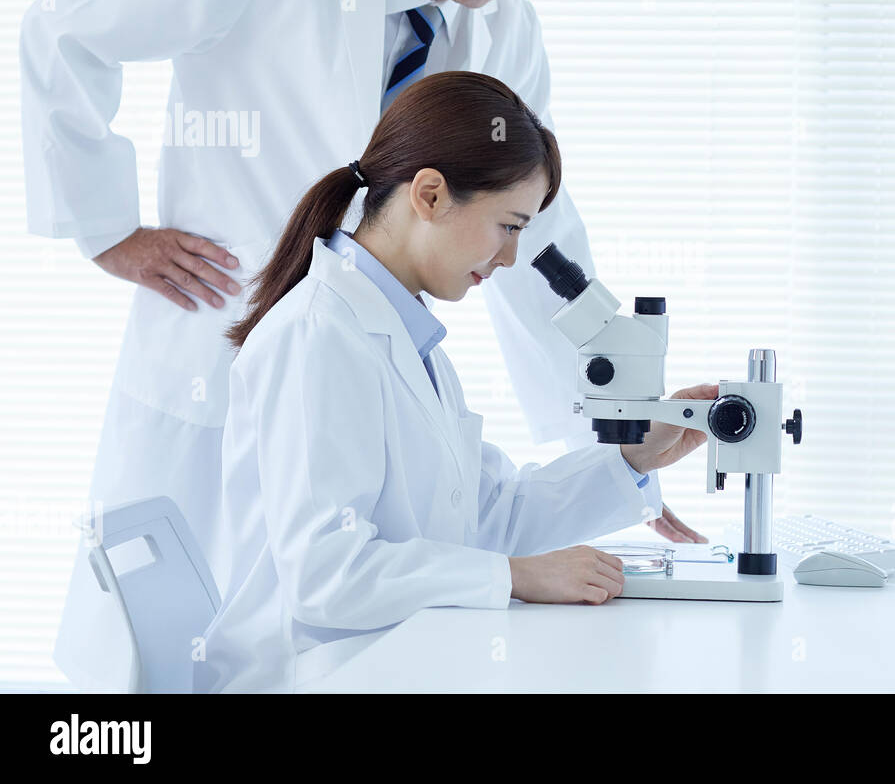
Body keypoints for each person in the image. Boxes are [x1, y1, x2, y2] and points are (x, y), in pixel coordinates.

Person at [20, 0, 701, 691]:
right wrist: (105, 226)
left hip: (357, 357)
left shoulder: (505, 36)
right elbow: (62, 29)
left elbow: (537, 239)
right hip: (211, 364)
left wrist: (617, 442)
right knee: (172, 661)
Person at [194, 72, 715, 693]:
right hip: (309, 673)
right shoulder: (319, 335)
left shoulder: (409, 338)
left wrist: (631, 458)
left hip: (392, 658)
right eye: (510, 225)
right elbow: (326, 575)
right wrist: (513, 577)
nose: (511, 258)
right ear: (431, 196)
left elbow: (485, 514)